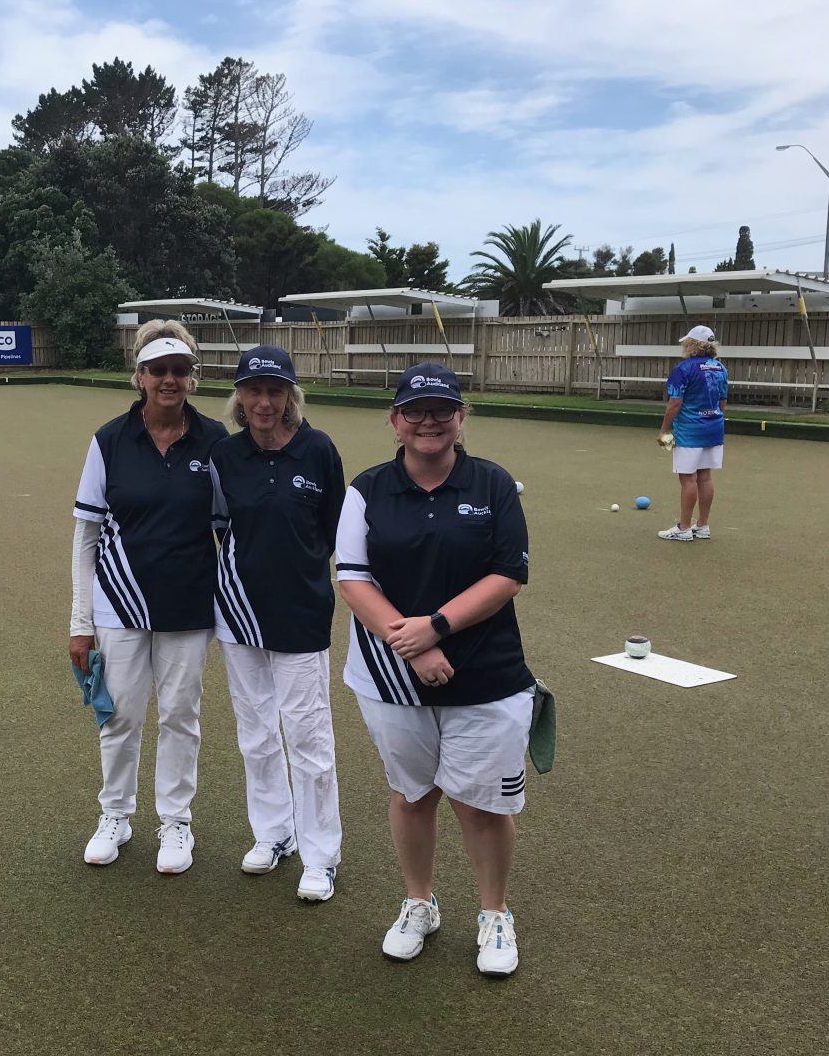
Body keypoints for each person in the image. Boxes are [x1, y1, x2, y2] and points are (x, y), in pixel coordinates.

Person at [335, 364, 534, 976]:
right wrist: (414, 644)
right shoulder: (367, 489)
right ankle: (418, 903)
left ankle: (494, 912)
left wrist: (438, 626)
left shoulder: (493, 483)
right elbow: (352, 579)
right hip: (391, 673)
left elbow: (508, 575)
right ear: (395, 420)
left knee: (483, 807)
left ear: (460, 417)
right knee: (413, 795)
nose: (429, 421)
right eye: (415, 411)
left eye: (442, 409)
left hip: (487, 674)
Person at [69, 320, 225, 875]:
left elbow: (228, 530)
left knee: (181, 715)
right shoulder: (109, 440)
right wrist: (80, 621)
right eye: (158, 370)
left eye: (179, 370)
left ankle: (176, 821)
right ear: (139, 376)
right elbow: (87, 535)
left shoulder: (214, 440)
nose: (169, 380)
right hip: (118, 603)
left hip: (188, 605)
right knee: (119, 716)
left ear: (192, 377)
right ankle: (115, 814)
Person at [209, 345, 346, 902]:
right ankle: (273, 832)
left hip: (302, 613)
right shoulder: (225, 455)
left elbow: (335, 533)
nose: (264, 402)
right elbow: (220, 529)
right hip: (238, 612)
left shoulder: (318, 449)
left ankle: (321, 854)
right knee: (256, 734)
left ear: (290, 395)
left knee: (309, 738)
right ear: (239, 397)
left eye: (275, 391)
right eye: (254, 391)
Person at [657, 324, 728, 541]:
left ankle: (684, 528)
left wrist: (663, 430)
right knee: (705, 477)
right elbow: (722, 402)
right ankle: (702, 525)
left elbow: (674, 403)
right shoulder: (720, 368)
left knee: (688, 479)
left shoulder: (683, 369)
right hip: (714, 429)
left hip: (690, 431)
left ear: (693, 344)